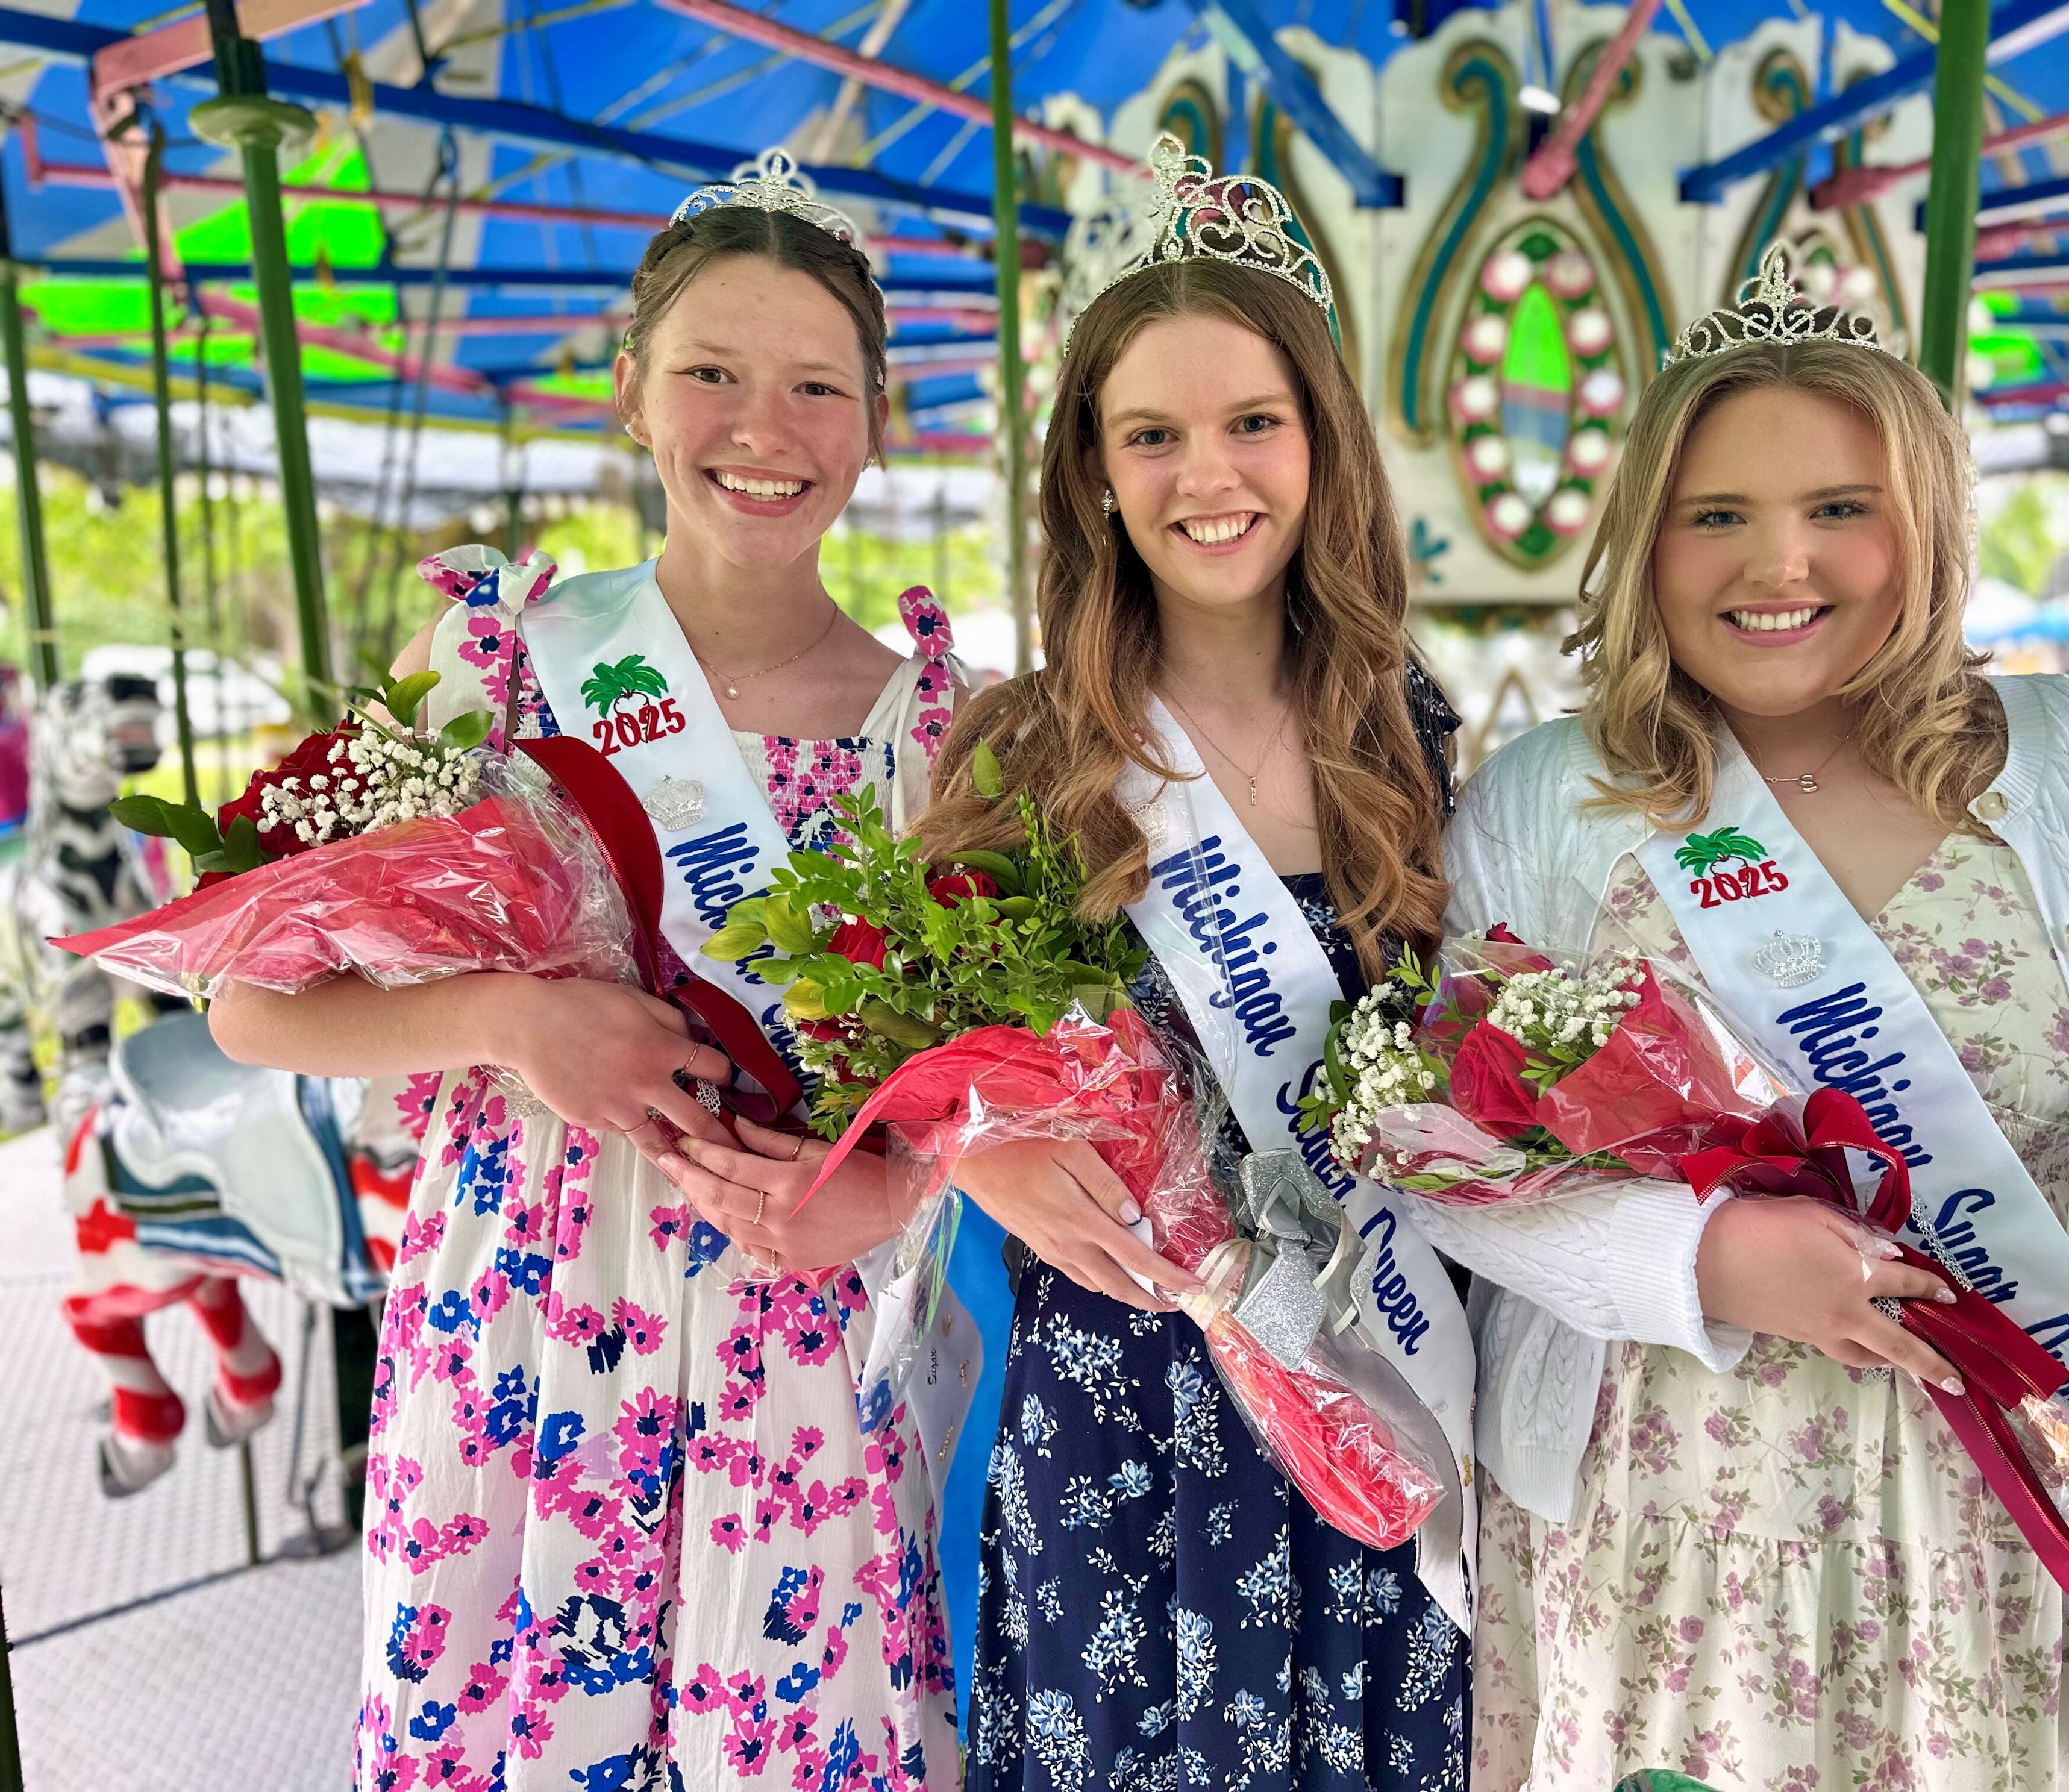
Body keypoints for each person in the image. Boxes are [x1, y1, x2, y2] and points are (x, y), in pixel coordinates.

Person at [1426, 246, 2069, 1791]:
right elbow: (1447, 1158)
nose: (1780, 565)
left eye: (1841, 508)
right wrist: (1696, 1258)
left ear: (1928, 530)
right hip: (1656, 1547)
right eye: (1718, 515)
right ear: (1647, 543)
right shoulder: (1548, 801)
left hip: (2031, 1560)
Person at [208, 154, 970, 1792]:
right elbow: (248, 996)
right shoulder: (496, 667)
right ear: (631, 391)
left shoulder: (942, 728)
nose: (761, 426)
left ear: (871, 418)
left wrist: (897, 1187)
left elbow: (975, 1079)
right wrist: (508, 1018)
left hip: (801, 1358)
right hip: (519, 1343)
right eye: (710, 371)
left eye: (814, 385)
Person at [913, 139, 1474, 1792]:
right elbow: (899, 1062)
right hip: (1119, 1419)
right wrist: (974, 1142)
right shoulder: (1020, 751)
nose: (1202, 472)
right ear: (1090, 468)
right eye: (1147, 433)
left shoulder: (1412, 735)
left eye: (1249, 422)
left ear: (1319, 442)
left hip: (1370, 1389)